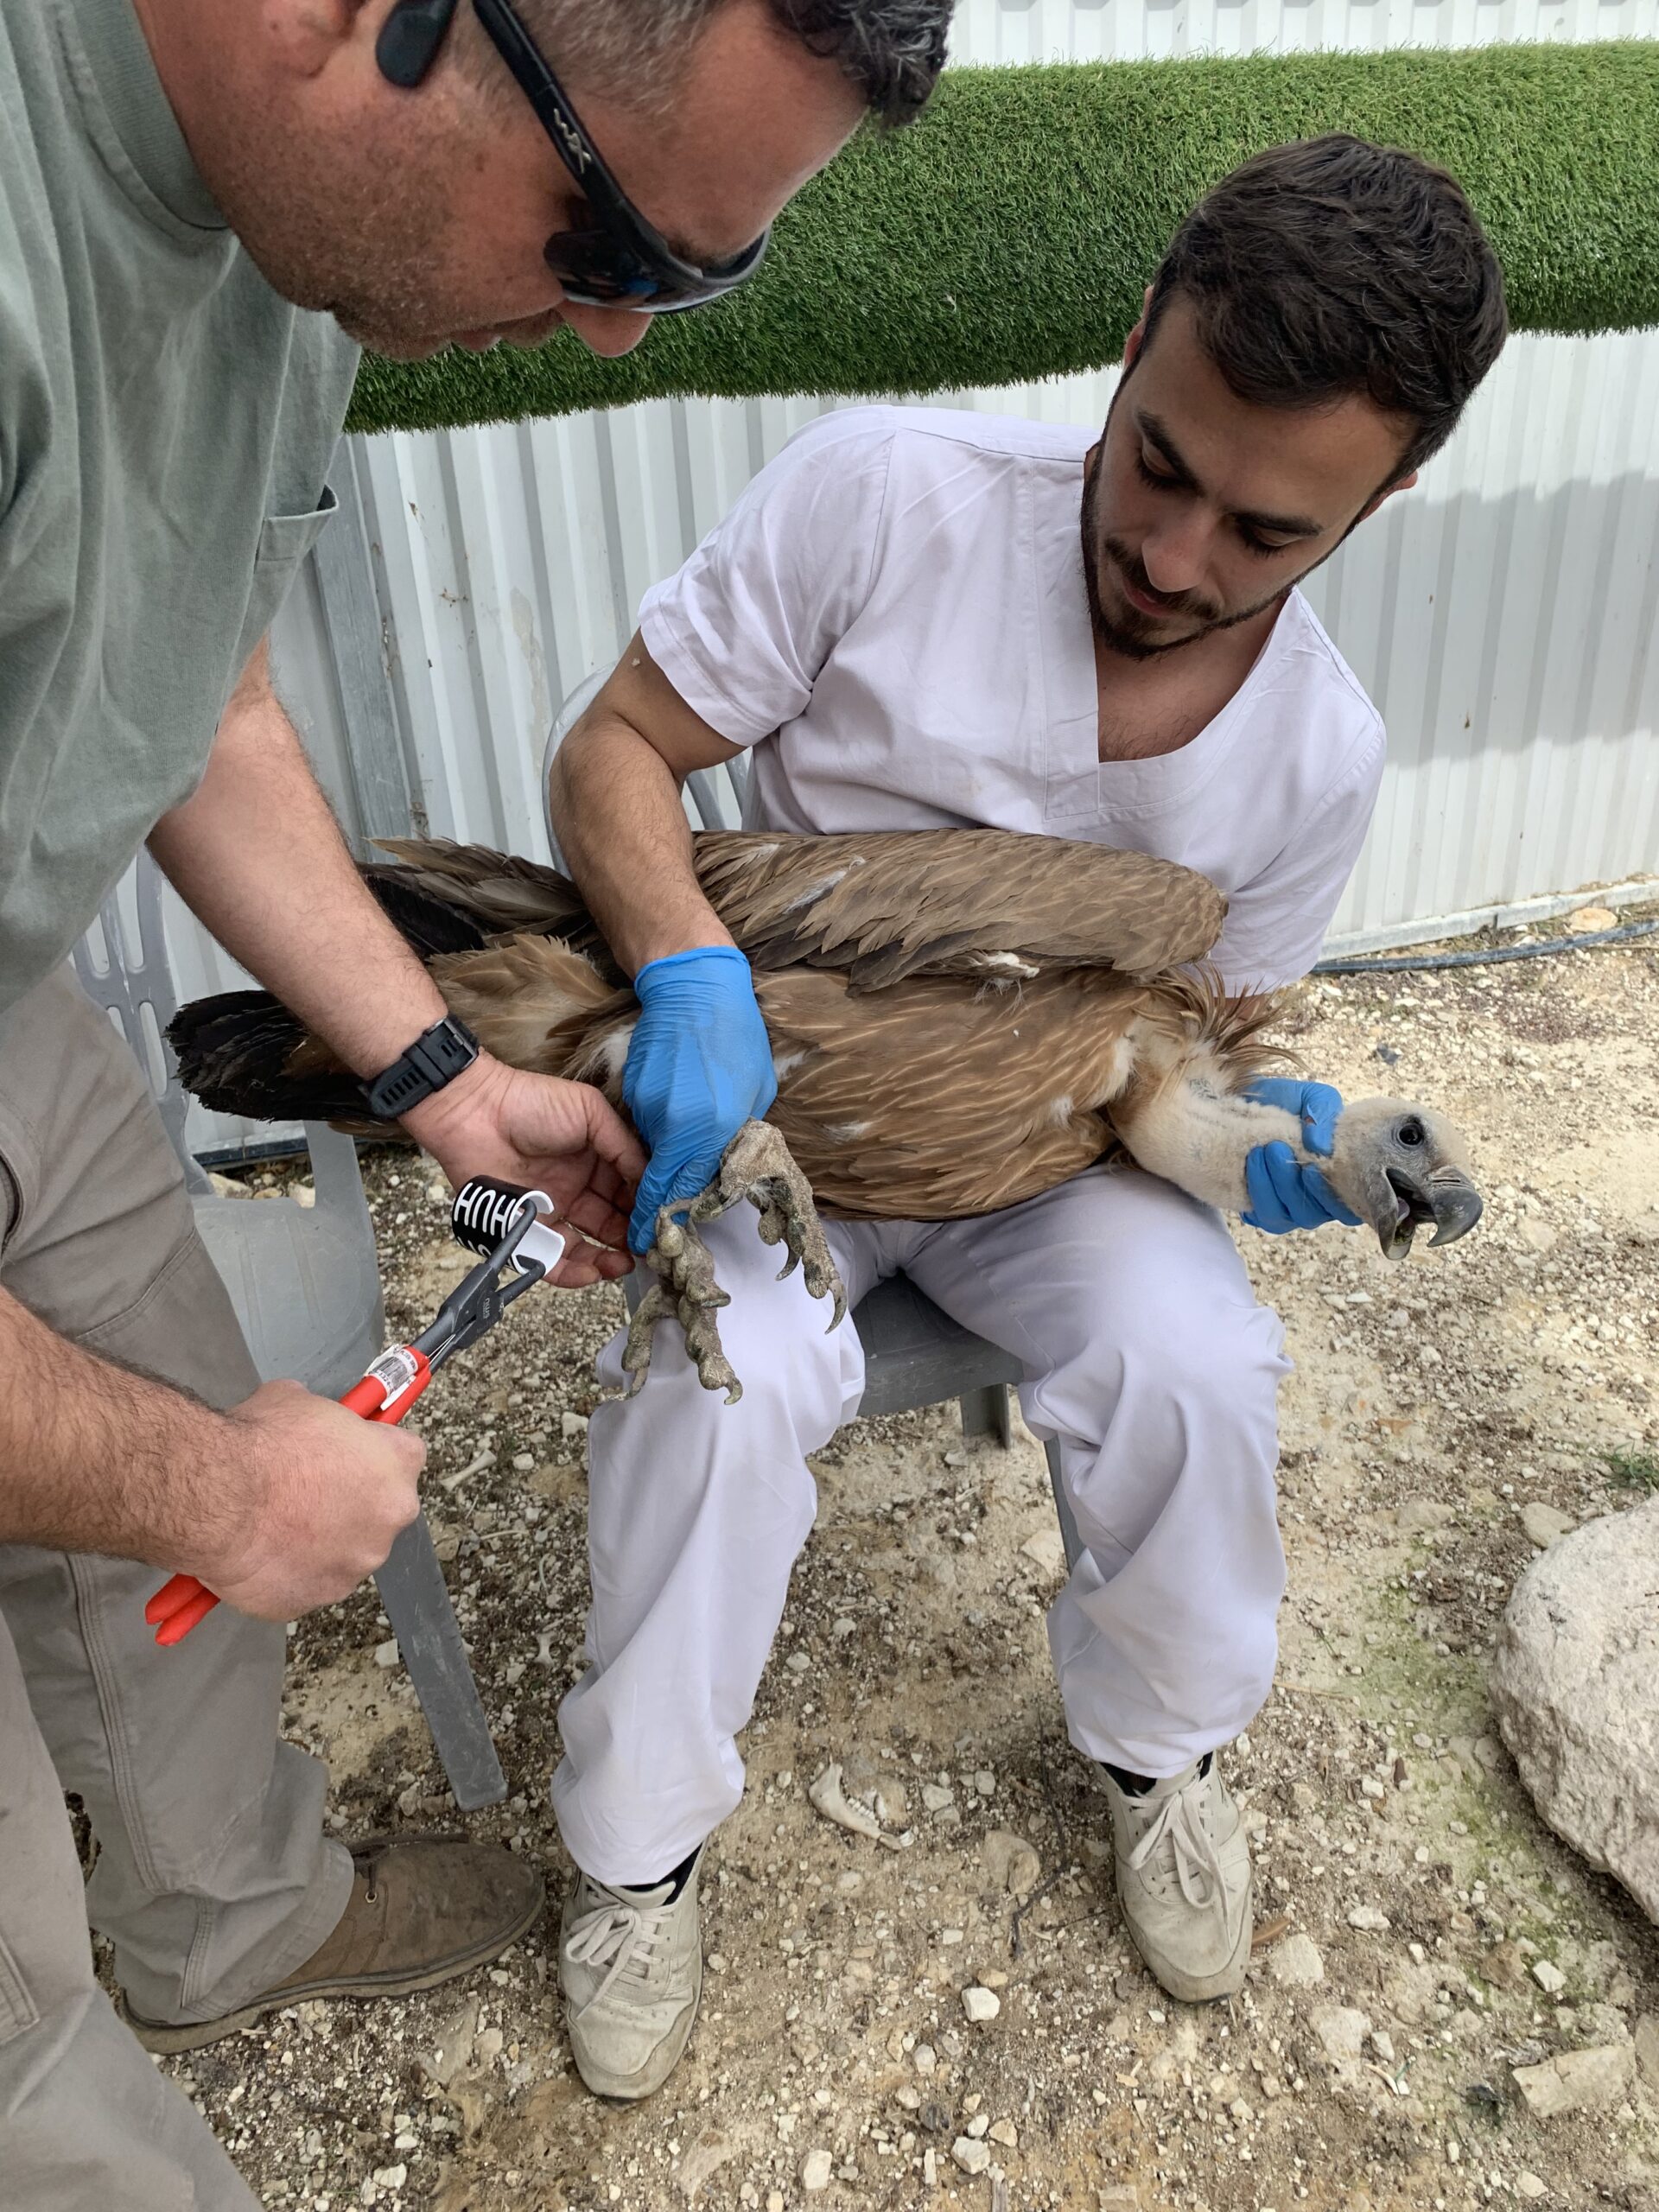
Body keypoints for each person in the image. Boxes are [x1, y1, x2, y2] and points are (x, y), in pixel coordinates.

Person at [0, 2, 950, 2203]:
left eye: (689, 277)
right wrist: (209, 1494)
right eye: (610, 223)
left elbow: (202, 695)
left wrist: (436, 1076)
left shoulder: (283, 223)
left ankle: (230, 1913)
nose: (616, 334)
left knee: (144, 1363)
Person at [544, 133, 1509, 2100]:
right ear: (1138, 329)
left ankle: (1165, 1749)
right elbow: (616, 751)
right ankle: (634, 1851)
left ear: (1387, 499)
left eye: (1265, 532)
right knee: (719, 1388)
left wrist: (1294, 1135)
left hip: (1053, 1149)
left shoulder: (1314, 749)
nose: (1173, 556)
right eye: (1159, 460)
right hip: (778, 1113)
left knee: (1198, 1354)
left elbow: (1195, 1053)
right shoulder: (887, 500)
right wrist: (689, 976)